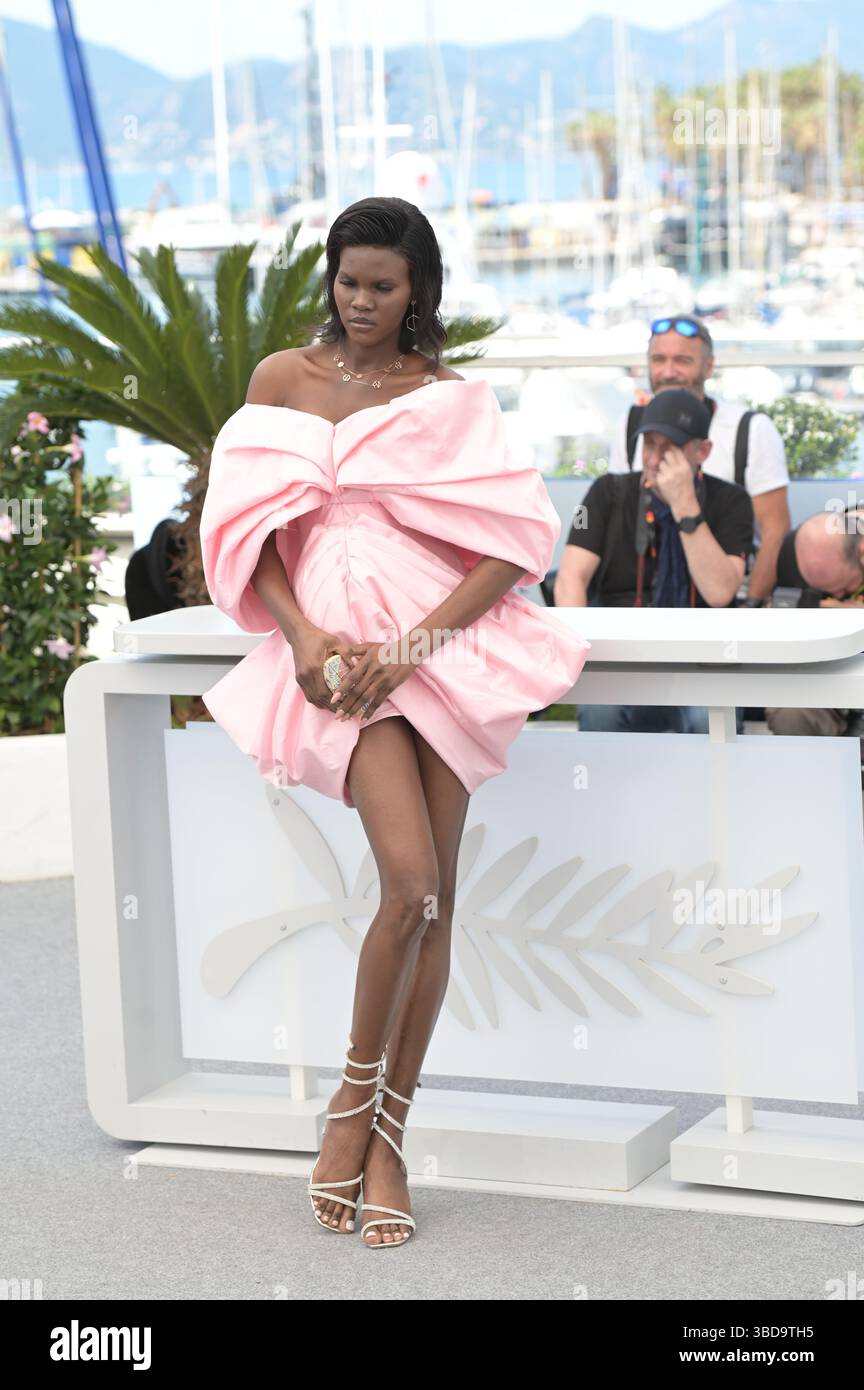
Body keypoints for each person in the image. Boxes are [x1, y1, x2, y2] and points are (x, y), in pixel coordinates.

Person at [198, 196, 590, 1249]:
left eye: (383, 284)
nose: (361, 301)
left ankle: (387, 1143)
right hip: (337, 659)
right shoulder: (282, 377)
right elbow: (252, 534)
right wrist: (303, 638)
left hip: (434, 650)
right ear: (329, 278)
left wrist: (415, 646)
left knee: (437, 901)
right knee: (406, 882)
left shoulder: (447, 395)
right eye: (348, 280)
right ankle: (345, 1110)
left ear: (419, 291)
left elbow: (514, 542)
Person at [554, 388, 753, 733]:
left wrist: (686, 507)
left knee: (704, 718)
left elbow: (720, 593)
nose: (655, 459)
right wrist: (585, 656)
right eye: (649, 445)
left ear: (702, 451)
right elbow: (571, 578)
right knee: (603, 713)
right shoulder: (608, 493)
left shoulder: (732, 502)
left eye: (671, 448)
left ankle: (710, 790)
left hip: (700, 659)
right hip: (618, 656)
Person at [607, 313, 789, 605]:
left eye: (682, 360)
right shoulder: (630, 424)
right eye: (658, 360)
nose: (668, 371)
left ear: (709, 366)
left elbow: (774, 532)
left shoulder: (751, 429)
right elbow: (617, 517)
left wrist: (751, 608)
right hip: (645, 589)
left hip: (730, 591)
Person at [764, 506, 864, 754]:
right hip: (829, 673)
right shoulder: (795, 554)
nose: (838, 595)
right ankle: (818, 783)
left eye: (843, 588)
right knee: (789, 712)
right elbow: (782, 612)